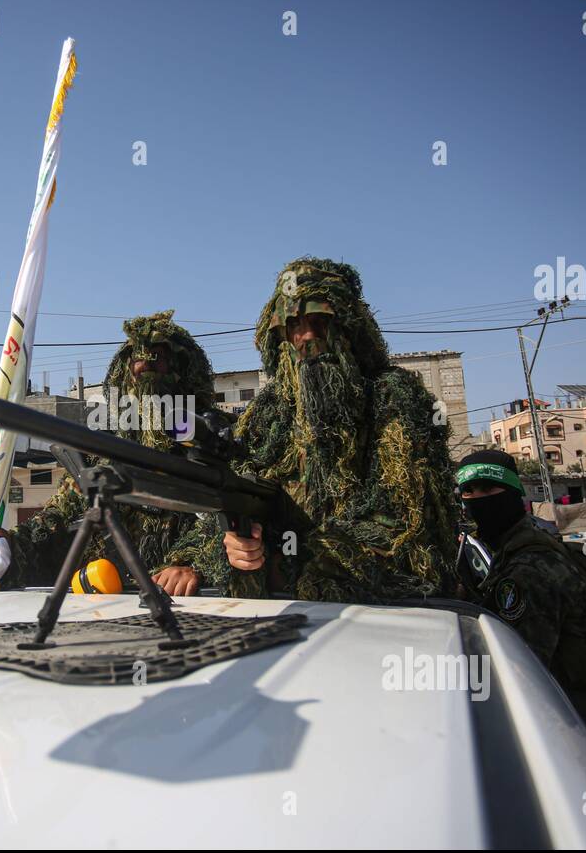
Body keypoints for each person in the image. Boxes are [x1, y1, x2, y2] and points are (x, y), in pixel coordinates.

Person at [190, 257, 457, 602]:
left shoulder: (391, 399)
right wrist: (233, 546)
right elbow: (235, 496)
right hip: (278, 615)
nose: (307, 337)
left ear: (348, 328)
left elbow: (407, 521)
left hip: (381, 611)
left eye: (320, 322)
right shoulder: (266, 415)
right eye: (294, 326)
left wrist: (302, 558)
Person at [0, 310, 224, 596]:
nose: (147, 371)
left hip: (198, 609)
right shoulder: (100, 457)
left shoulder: (215, 448)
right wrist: (8, 549)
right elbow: (54, 526)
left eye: (160, 361)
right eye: (138, 363)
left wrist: (191, 563)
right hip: (106, 612)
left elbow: (234, 524)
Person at [456, 449, 586, 760]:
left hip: (574, 740)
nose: (477, 498)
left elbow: (517, 670)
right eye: (469, 491)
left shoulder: (528, 569)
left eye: (488, 488)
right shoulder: (520, 545)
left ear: (512, 492)